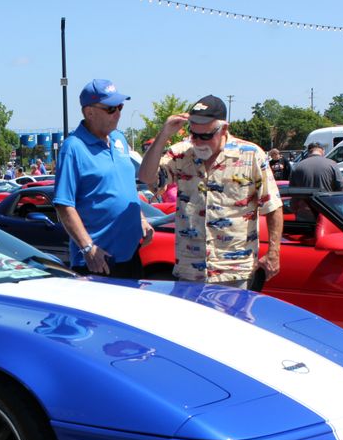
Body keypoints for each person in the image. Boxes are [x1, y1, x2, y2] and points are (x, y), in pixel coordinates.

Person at [139, 94, 283, 288]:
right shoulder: (181, 154)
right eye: (194, 134)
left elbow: (273, 206)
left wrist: (274, 253)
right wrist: (163, 135)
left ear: (223, 129)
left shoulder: (250, 155)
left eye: (206, 136)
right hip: (190, 269)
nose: (198, 141)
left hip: (234, 270)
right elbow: (148, 178)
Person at [54, 78, 153, 278]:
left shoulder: (119, 139)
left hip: (130, 254)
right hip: (99, 260)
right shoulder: (73, 147)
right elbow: (64, 205)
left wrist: (140, 217)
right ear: (89, 112)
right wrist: (88, 248)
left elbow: (124, 186)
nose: (117, 113)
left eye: (120, 107)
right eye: (110, 109)